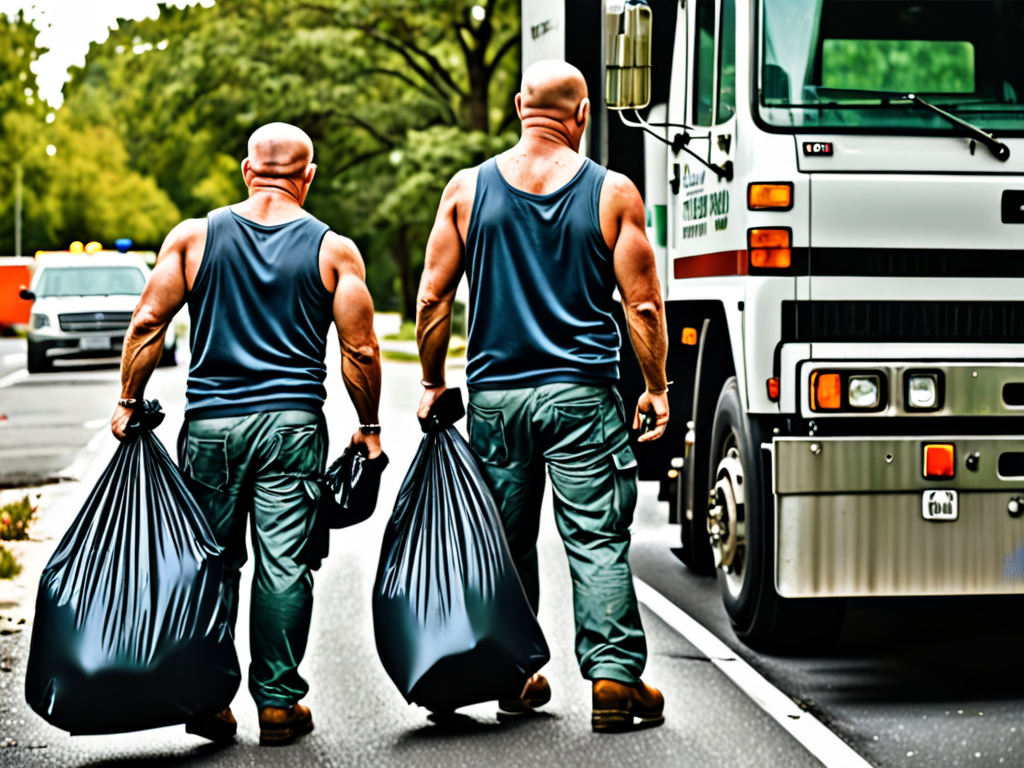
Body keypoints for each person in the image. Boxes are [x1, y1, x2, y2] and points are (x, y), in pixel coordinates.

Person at [415, 61, 670, 732]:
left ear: (518, 105)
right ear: (583, 115)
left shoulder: (467, 189)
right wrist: (655, 387)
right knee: (597, 538)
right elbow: (643, 306)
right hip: (582, 396)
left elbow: (433, 298)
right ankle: (614, 680)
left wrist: (433, 382)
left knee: (504, 542)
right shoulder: (612, 191)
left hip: (497, 399)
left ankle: (514, 675)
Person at [111, 122, 383, 746]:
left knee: (213, 562)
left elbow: (148, 321)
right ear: (308, 177)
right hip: (292, 428)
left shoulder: (193, 238)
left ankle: (208, 701)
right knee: (286, 565)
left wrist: (128, 401)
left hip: (212, 428)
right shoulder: (333, 250)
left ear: (246, 171)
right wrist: (368, 428)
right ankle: (279, 704)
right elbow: (362, 350)